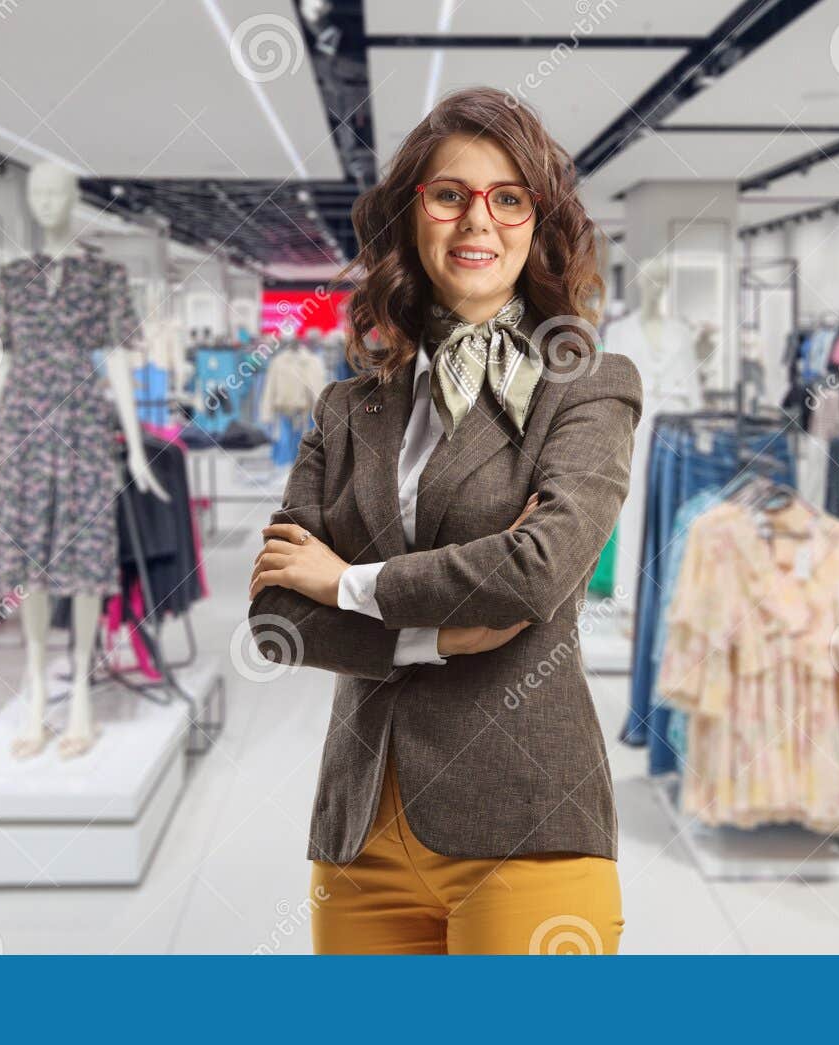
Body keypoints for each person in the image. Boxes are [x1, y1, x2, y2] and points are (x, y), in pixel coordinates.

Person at [247, 86, 643, 955]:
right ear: (411, 217)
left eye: (509, 199)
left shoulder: (585, 386)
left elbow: (535, 571)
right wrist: (429, 638)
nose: (479, 221)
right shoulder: (347, 408)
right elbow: (277, 617)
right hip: (359, 828)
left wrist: (344, 581)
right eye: (449, 194)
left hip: (526, 822)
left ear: (539, 225)